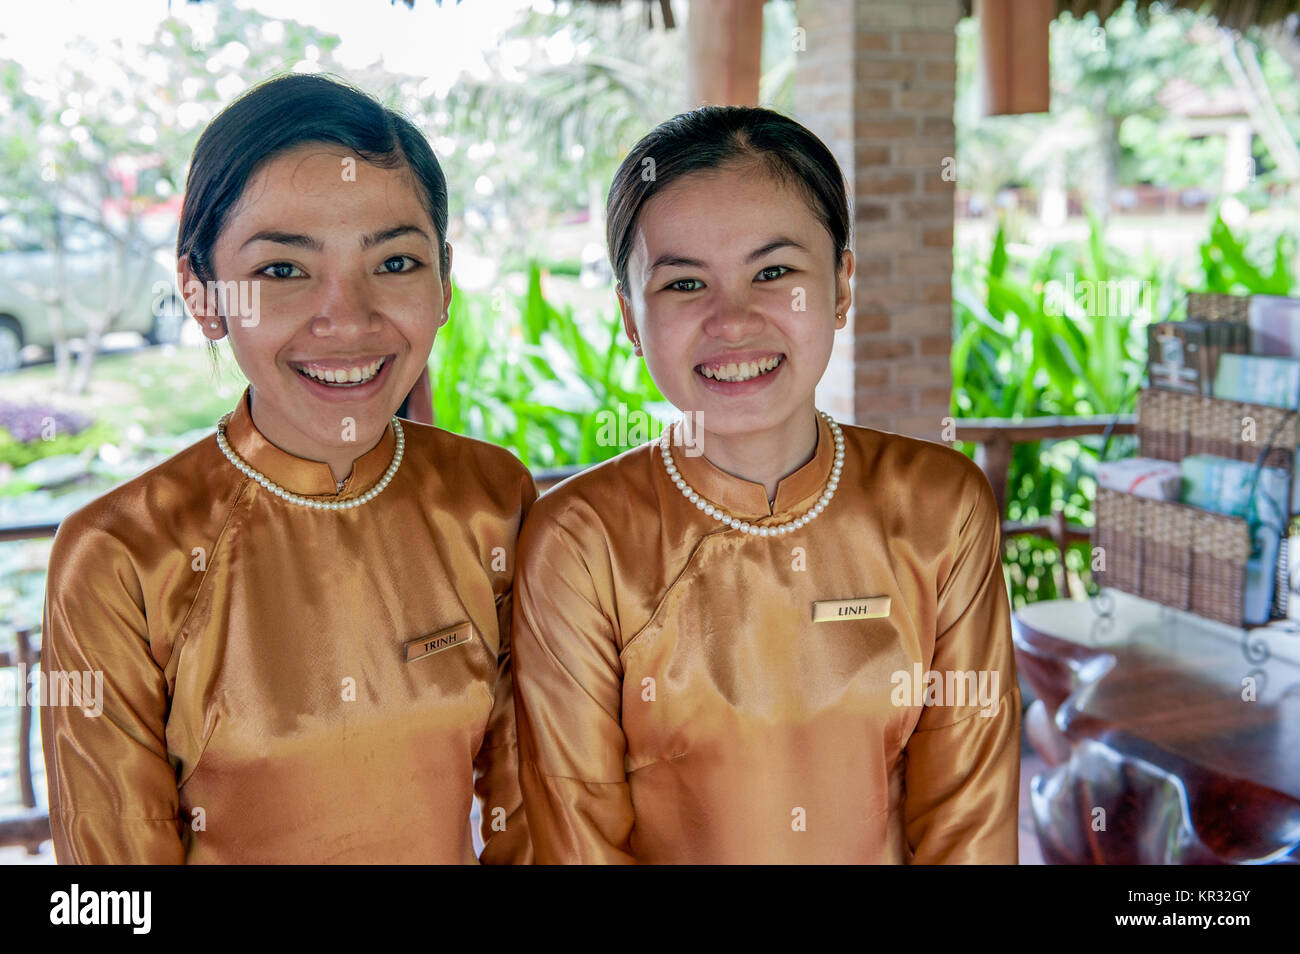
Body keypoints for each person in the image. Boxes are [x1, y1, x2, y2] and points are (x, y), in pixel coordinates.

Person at [40, 74, 532, 863]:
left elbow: (527, 813)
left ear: (444, 281)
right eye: (281, 271)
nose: (348, 317)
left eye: (396, 262)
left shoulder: (491, 499)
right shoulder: (119, 557)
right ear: (202, 295)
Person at [511, 106, 1022, 863]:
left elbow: (967, 822)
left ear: (842, 285)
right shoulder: (579, 541)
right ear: (629, 316)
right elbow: (576, 838)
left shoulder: (940, 507)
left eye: (774, 271)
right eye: (684, 283)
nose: (733, 320)